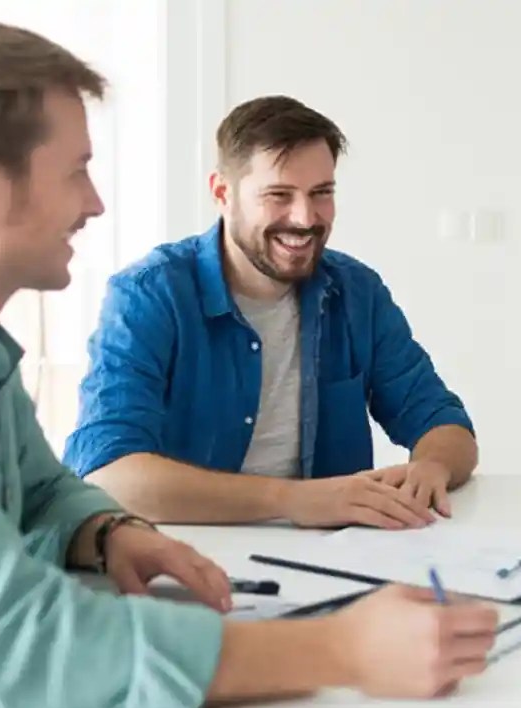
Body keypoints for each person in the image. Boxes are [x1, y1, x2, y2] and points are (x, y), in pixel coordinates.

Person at [0, 18, 496, 708]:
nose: (95, 202)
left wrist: (110, 532)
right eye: (77, 171)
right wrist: (338, 650)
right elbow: (20, 643)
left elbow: (48, 490)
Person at [63, 95, 478, 528]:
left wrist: (431, 467)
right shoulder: (148, 296)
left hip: (334, 556)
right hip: (190, 551)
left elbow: (444, 422)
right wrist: (294, 500)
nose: (304, 218)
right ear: (223, 194)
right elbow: (109, 474)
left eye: (321, 194)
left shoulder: (358, 292)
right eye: (279, 195)